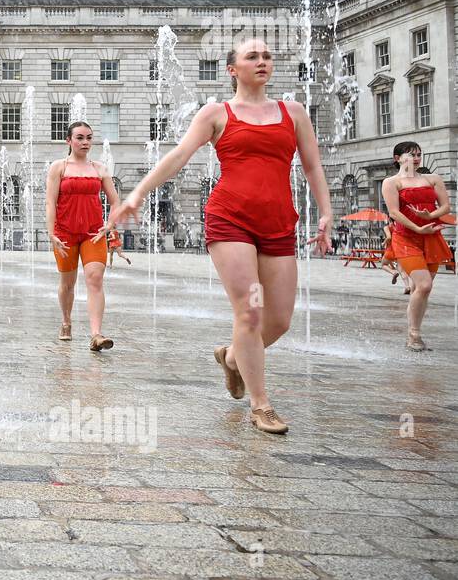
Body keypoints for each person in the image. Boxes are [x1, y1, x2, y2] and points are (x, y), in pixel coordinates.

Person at [107, 38, 332, 435]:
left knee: (278, 320)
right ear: (233, 69)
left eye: (267, 56)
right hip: (231, 221)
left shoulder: (293, 112)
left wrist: (326, 213)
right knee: (250, 311)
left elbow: (312, 167)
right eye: (252, 56)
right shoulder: (217, 113)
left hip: (279, 222)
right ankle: (260, 404)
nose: (262, 61)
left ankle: (231, 358)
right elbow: (177, 156)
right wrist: (137, 194)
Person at [46, 121, 122, 351]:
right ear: (68, 141)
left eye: (89, 137)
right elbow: (50, 202)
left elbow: (116, 201)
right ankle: (66, 322)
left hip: (93, 234)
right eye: (80, 138)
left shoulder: (99, 168)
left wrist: (109, 225)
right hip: (65, 234)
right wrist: (51, 234)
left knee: (95, 279)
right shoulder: (59, 168)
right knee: (68, 284)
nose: (85, 142)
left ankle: (96, 334)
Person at [382, 142, 452, 350]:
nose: (416, 158)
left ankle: (414, 330)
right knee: (424, 286)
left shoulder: (432, 179)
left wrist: (430, 216)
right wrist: (417, 227)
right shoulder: (391, 182)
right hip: (406, 238)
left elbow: (446, 206)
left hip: (431, 236)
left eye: (419, 154)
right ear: (397, 158)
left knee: (420, 289)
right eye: (411, 154)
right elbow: (394, 213)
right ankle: (414, 335)